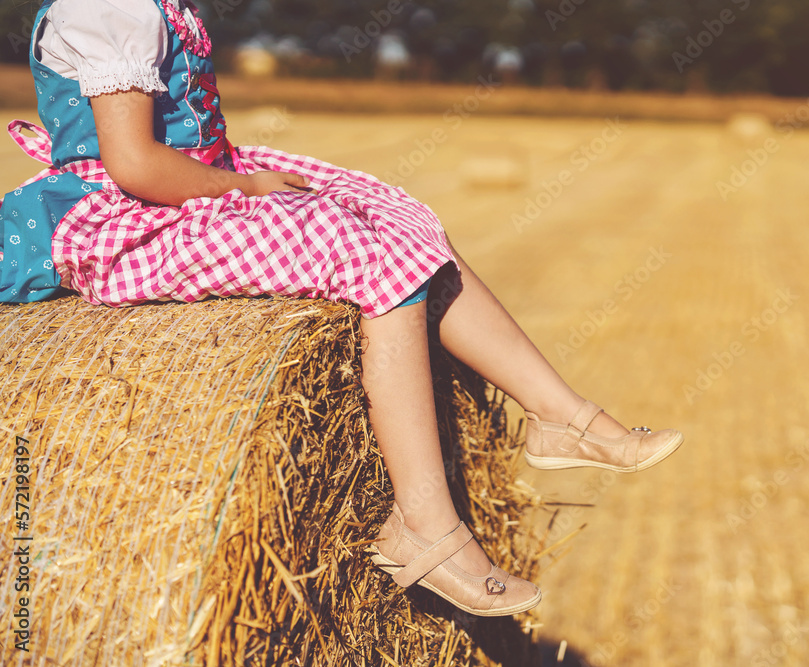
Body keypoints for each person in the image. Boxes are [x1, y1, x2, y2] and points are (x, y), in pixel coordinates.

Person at [0, 0, 684, 617]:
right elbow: (135, 165)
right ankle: (425, 525)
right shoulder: (106, 7)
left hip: (187, 191)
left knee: (398, 216)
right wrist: (244, 186)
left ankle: (559, 417)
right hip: (126, 218)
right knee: (360, 254)